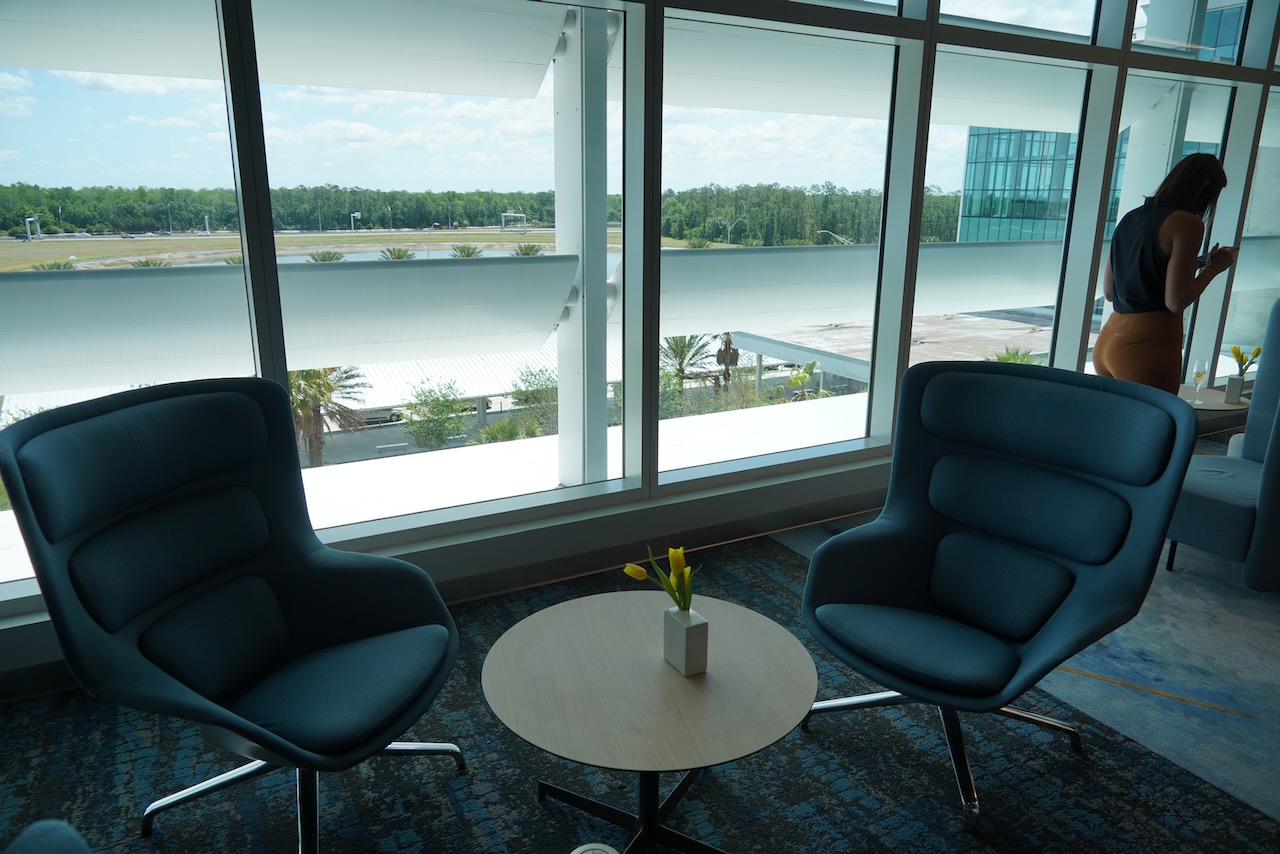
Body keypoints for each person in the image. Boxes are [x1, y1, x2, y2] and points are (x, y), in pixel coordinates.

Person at [1094, 153, 1237, 394]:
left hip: (1109, 339)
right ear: (1204, 188)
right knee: (1158, 417)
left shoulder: (1131, 217)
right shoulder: (1188, 223)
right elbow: (1175, 301)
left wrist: (1196, 263)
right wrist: (1214, 268)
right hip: (1147, 344)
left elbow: (1109, 291)